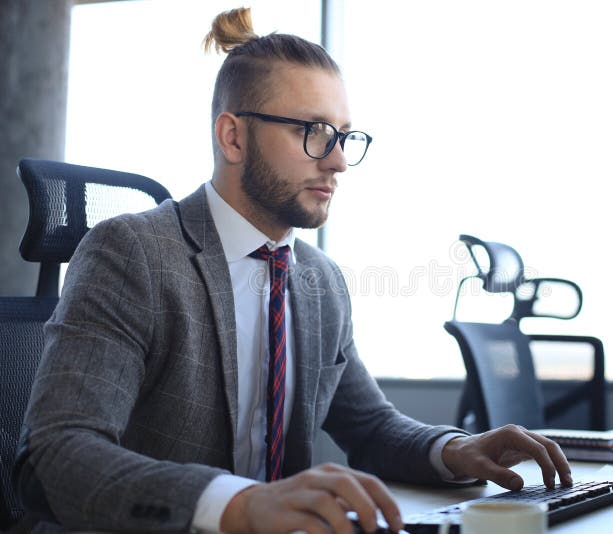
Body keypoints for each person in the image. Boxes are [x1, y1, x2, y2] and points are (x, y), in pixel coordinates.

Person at [15, 7, 571, 534]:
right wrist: (238, 504)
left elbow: (370, 426)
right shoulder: (131, 253)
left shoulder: (319, 279)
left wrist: (452, 450)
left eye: (344, 135)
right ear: (233, 136)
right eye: (313, 132)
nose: (338, 160)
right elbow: (57, 453)